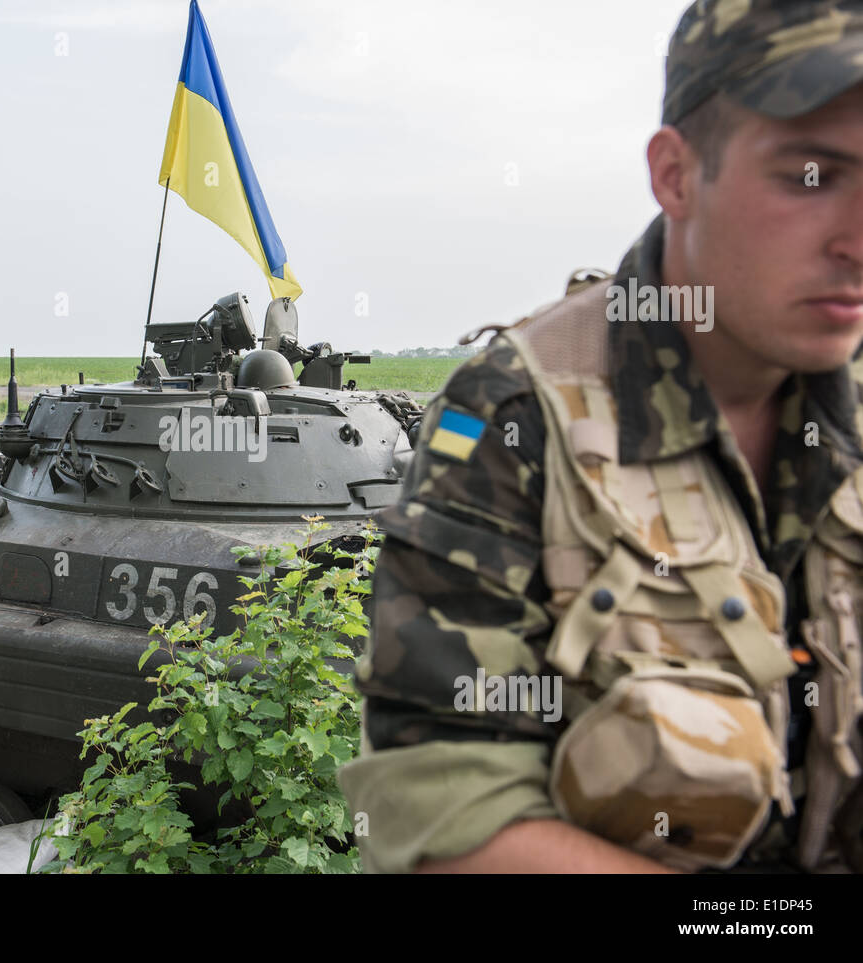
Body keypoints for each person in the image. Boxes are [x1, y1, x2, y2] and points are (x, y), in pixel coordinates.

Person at [338, 0, 863, 874]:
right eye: (810, 174)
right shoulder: (513, 418)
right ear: (676, 174)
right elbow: (444, 819)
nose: (856, 237)